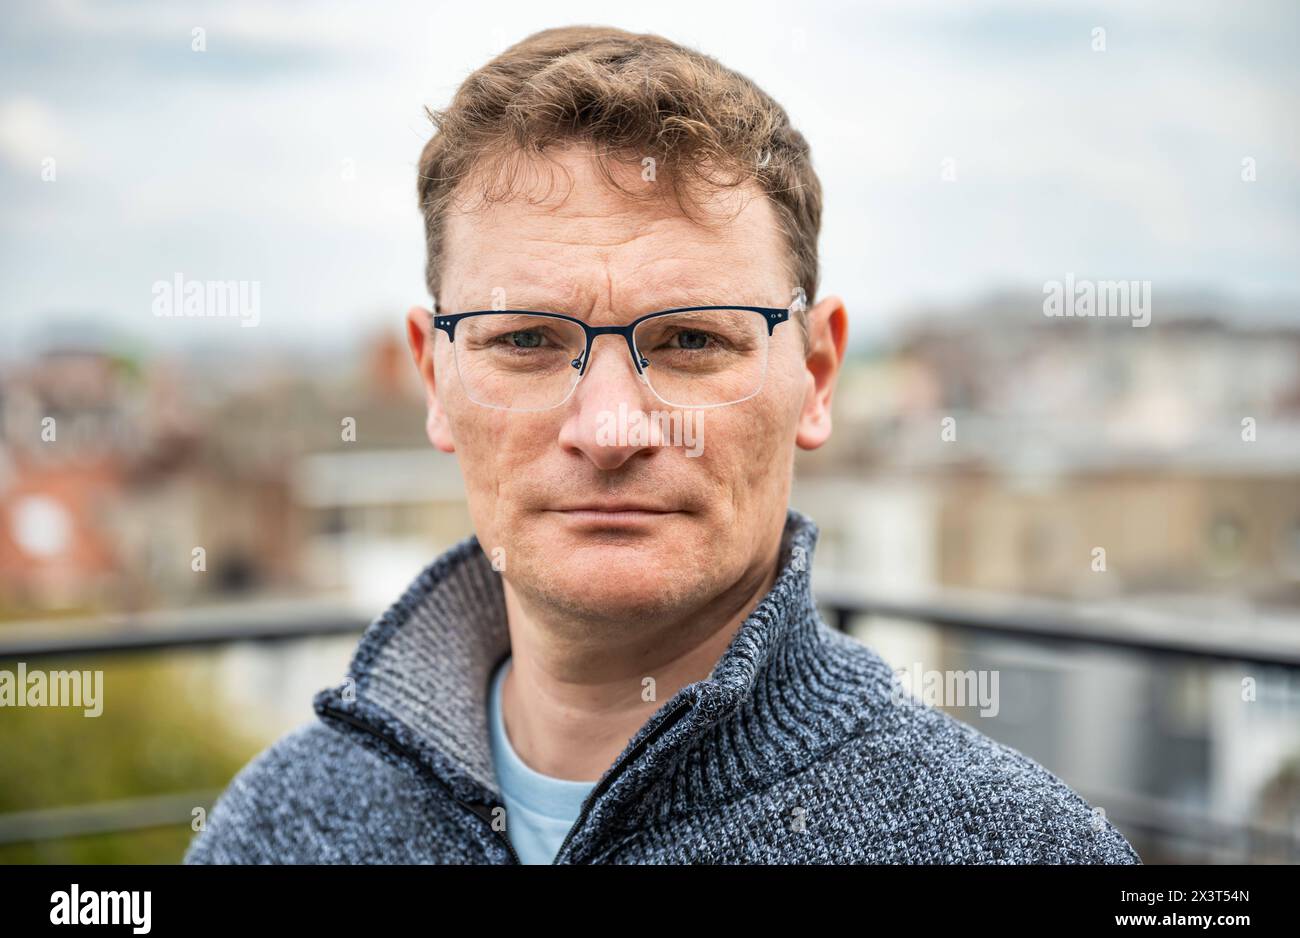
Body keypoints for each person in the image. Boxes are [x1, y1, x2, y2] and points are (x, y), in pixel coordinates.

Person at [184, 24, 1141, 865]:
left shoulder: (1017, 850)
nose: (609, 430)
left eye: (691, 341)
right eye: (525, 341)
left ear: (817, 373)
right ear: (434, 379)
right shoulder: (274, 830)